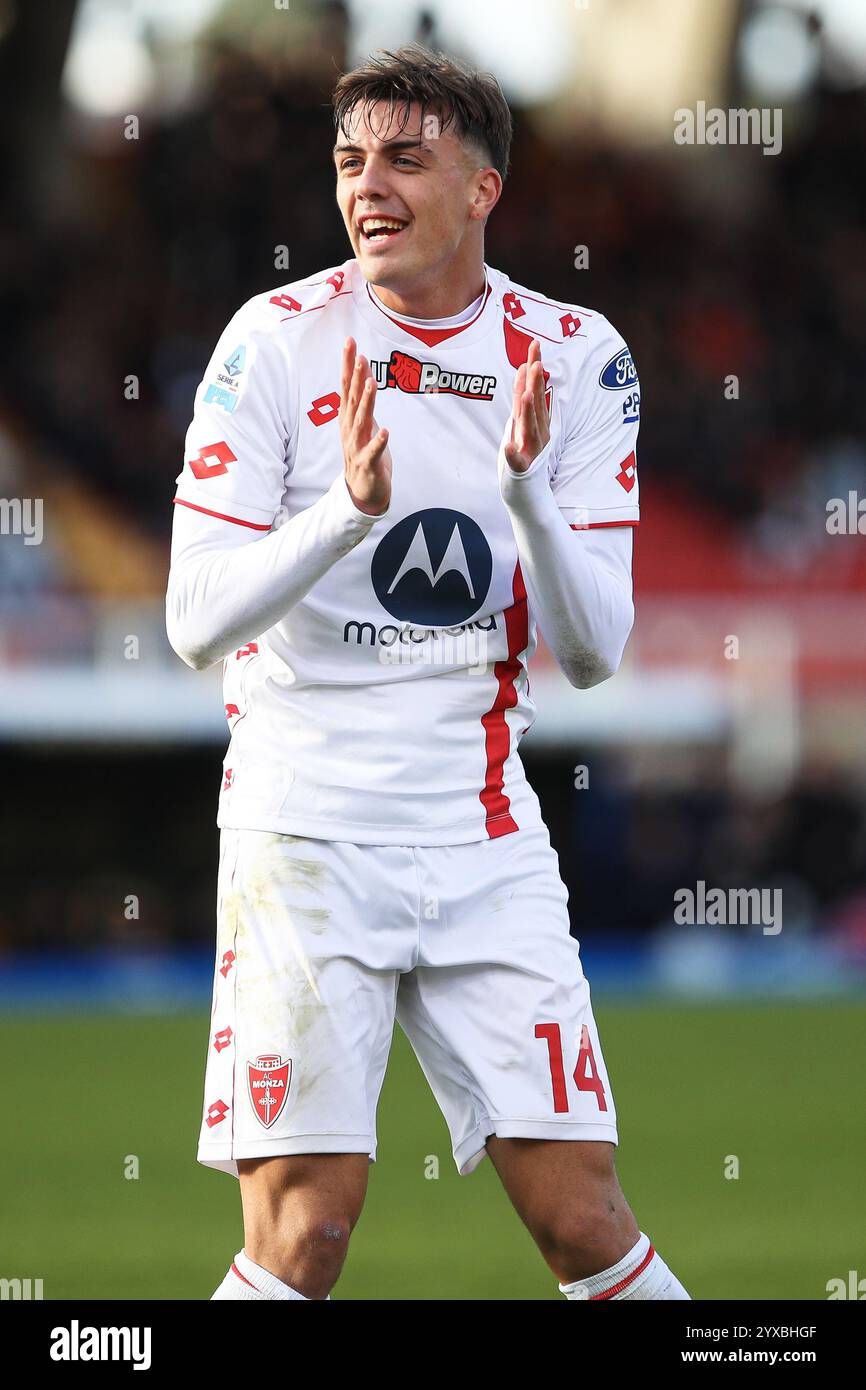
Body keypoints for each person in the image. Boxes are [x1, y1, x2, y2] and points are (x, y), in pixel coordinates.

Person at [165, 43, 688, 1302]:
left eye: (405, 157)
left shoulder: (573, 355)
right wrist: (342, 512)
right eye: (350, 161)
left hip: (480, 833)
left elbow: (593, 649)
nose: (368, 187)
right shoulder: (276, 343)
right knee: (309, 1234)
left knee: (582, 1215)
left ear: (481, 189)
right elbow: (194, 620)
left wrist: (524, 496)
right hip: (305, 829)